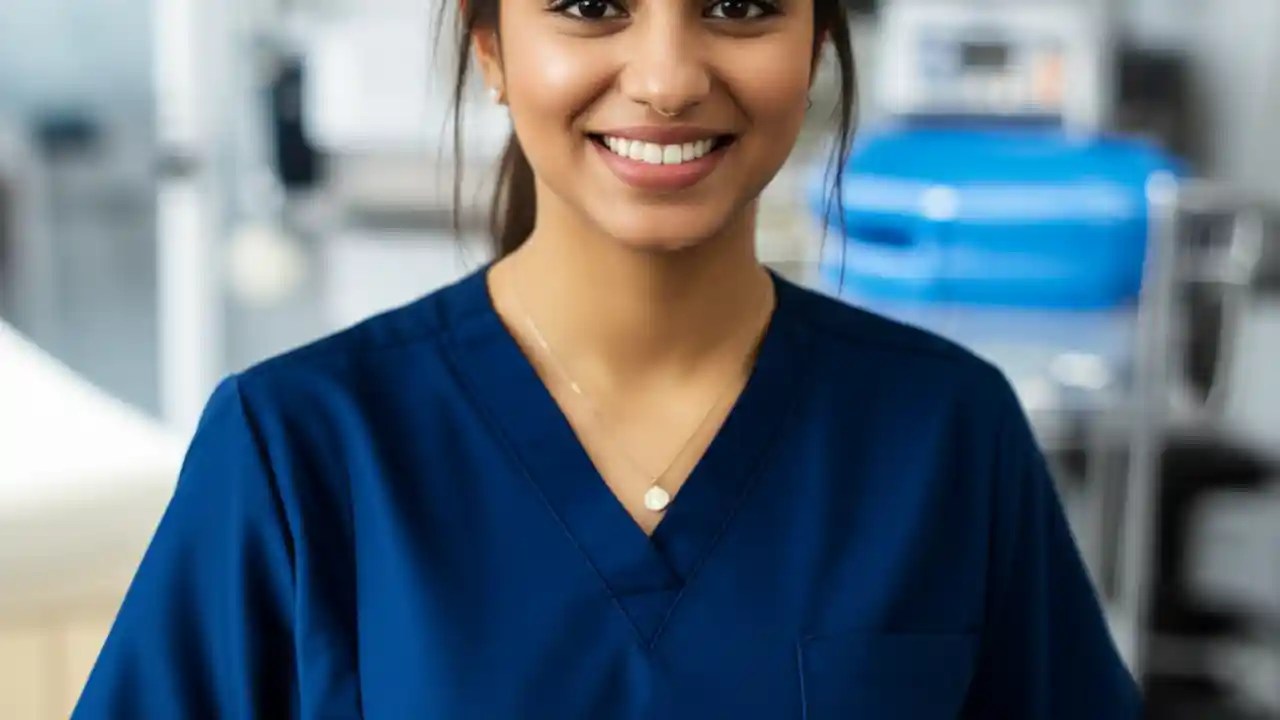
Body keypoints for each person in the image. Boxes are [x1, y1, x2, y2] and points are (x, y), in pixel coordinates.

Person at [74, 0, 1142, 716]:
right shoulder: (302, 450)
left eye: (737, 4)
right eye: (589, 3)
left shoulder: (944, 434)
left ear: (814, 42)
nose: (668, 78)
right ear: (489, 45)